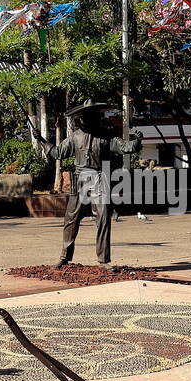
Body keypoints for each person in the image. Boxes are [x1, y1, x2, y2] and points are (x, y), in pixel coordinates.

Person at [35, 99, 143, 267]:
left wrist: (137, 141)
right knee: (71, 219)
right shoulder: (75, 137)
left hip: (99, 178)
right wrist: (42, 140)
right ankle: (64, 256)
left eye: (88, 117)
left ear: (95, 118)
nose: (83, 120)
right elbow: (57, 153)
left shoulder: (107, 136)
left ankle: (103, 260)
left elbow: (126, 147)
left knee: (103, 218)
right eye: (82, 117)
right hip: (79, 179)